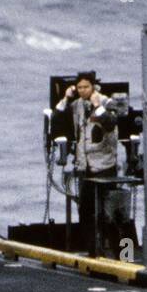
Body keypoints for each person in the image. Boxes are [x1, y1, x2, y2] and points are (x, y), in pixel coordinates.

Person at [55, 74, 119, 254]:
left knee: (112, 216)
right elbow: (57, 120)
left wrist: (97, 106)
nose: (83, 91)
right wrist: (66, 98)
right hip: (85, 167)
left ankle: (125, 255)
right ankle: (94, 253)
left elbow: (110, 123)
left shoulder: (107, 103)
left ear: (94, 87)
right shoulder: (77, 106)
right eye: (79, 88)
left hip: (104, 166)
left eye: (86, 87)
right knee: (86, 212)